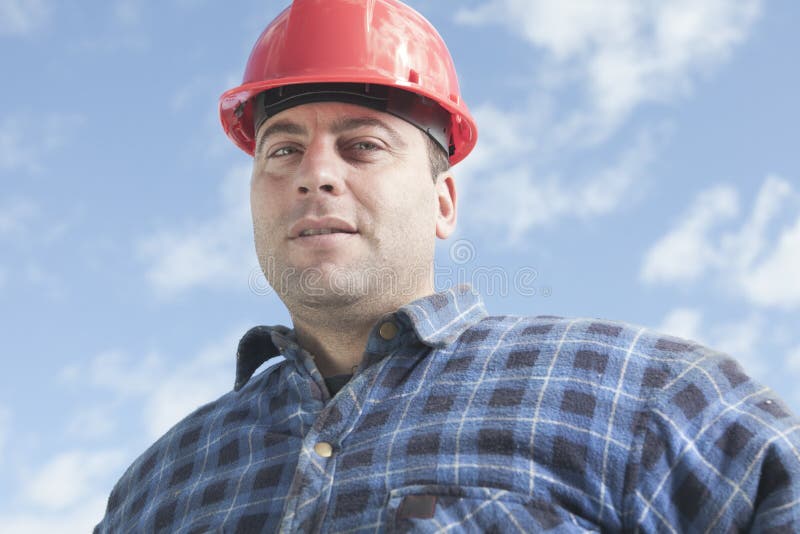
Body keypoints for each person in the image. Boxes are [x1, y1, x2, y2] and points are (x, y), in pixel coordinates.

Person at [95, 0, 800, 532]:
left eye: (362, 145)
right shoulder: (154, 489)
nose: (315, 176)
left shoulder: (644, 397)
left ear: (443, 202)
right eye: (281, 150)